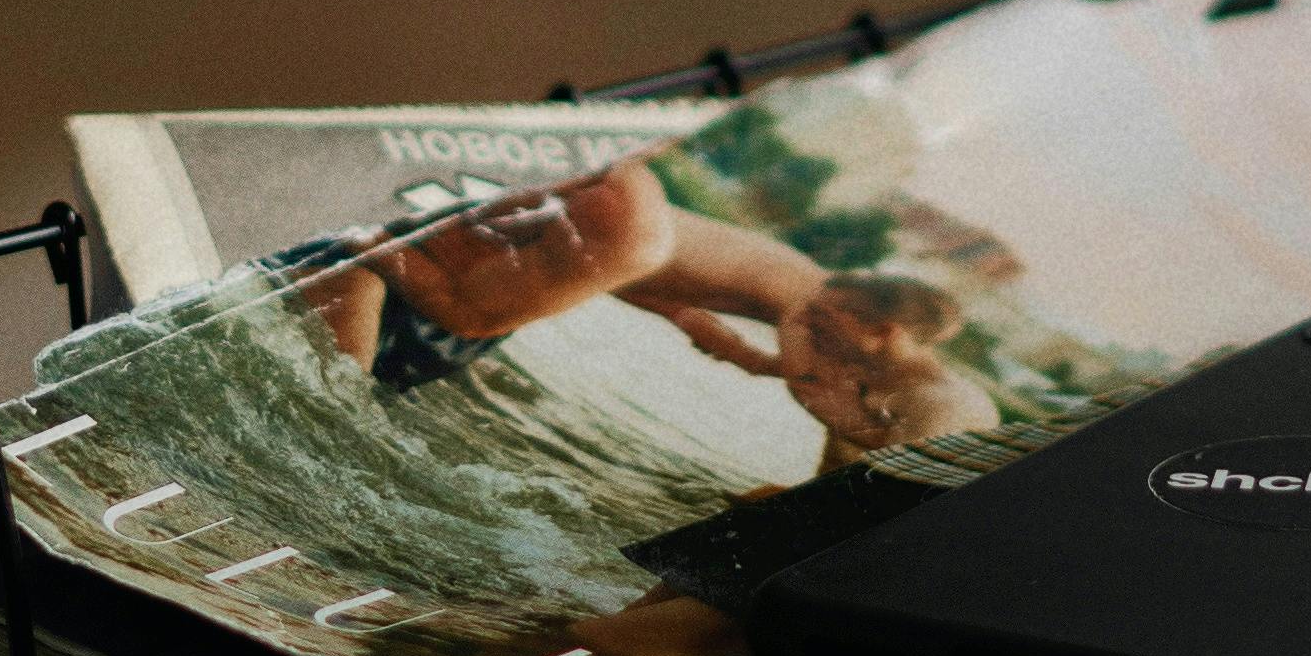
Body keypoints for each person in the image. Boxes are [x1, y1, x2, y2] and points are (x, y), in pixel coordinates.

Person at [284, 165, 999, 456]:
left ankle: (345, 354)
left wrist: (688, 323)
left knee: (433, 326)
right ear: (879, 325)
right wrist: (854, 421)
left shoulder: (815, 296)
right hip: (605, 241)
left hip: (611, 251)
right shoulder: (806, 294)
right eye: (829, 319)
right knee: (440, 324)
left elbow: (648, 279)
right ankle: (357, 276)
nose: (819, 328)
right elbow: (805, 382)